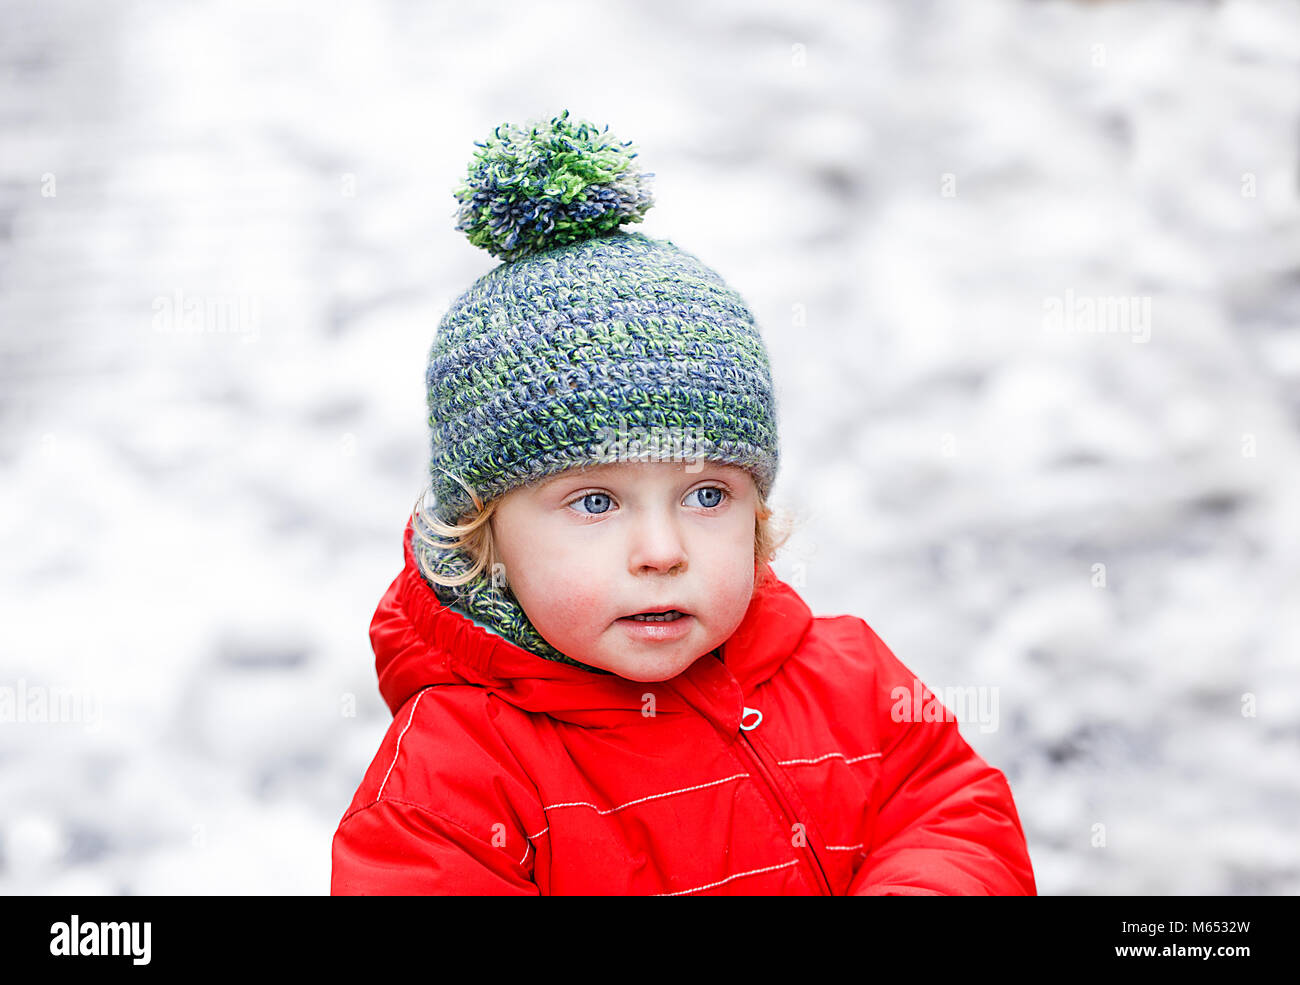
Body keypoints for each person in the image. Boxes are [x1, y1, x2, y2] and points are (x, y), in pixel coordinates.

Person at [330, 111, 1036, 895]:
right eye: (595, 501)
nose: (663, 550)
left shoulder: (849, 679)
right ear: (485, 537)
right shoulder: (451, 782)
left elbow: (949, 811)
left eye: (707, 494)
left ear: (759, 517)